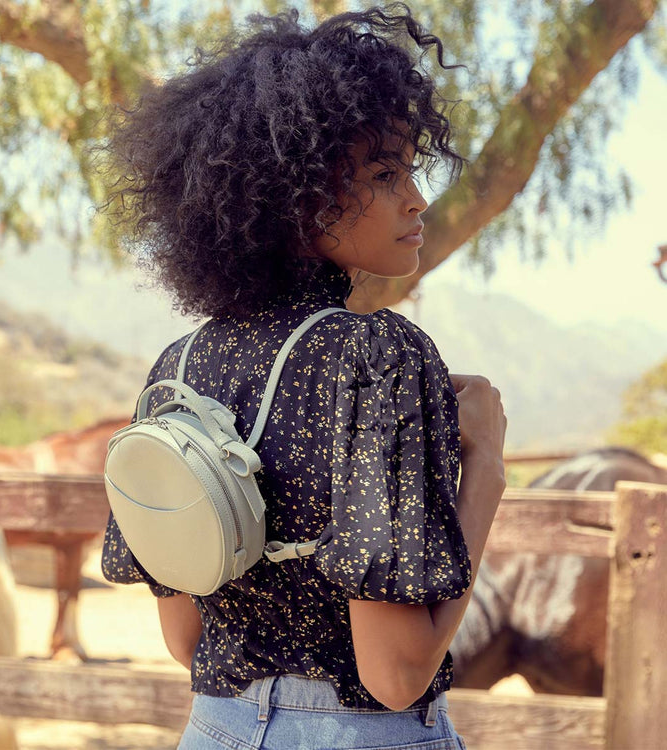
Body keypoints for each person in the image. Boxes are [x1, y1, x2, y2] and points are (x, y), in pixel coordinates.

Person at [101, 5, 506, 749]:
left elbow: (188, 642)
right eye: (385, 173)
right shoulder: (375, 359)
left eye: (411, 169)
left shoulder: (179, 373)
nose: (416, 198)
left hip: (215, 730)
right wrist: (485, 465)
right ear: (296, 198)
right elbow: (396, 674)